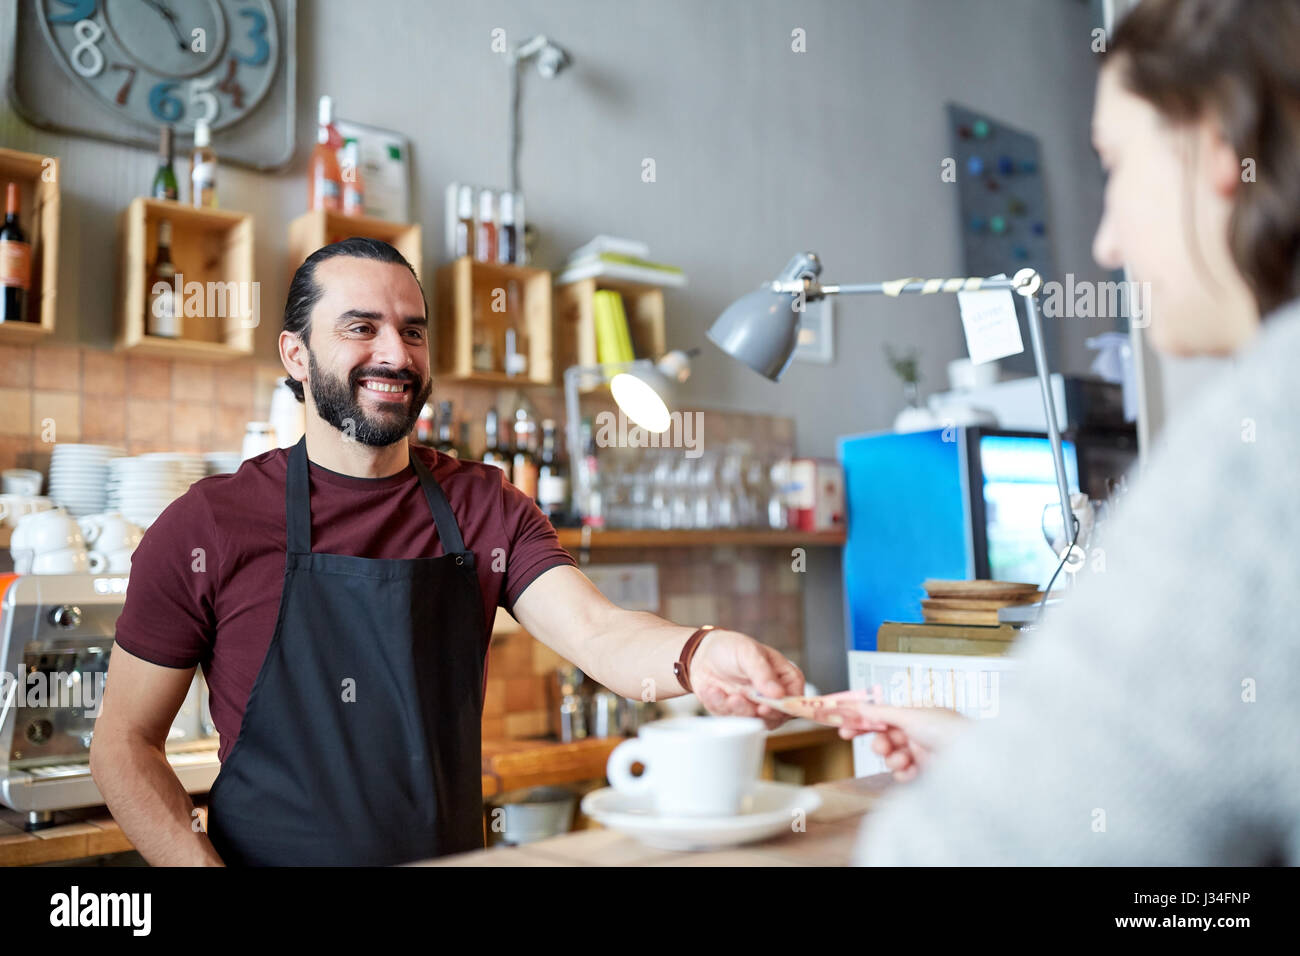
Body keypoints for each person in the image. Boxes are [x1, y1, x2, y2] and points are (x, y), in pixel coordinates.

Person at [89, 237, 805, 867]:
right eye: (361, 328)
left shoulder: (484, 507)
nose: (396, 354)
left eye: (412, 330)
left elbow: (598, 632)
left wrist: (700, 652)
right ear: (296, 354)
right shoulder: (207, 525)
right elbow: (123, 743)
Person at [850, 0, 1300, 864]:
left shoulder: (1258, 444)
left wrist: (1006, 782)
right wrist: (1004, 752)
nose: (1103, 244)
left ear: (1212, 146)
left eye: (1114, 165)